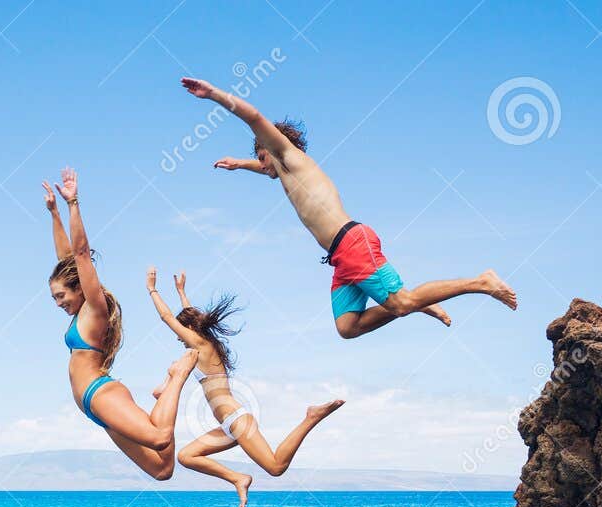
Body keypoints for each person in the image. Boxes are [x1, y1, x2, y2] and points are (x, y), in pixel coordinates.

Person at [180, 77, 517, 339]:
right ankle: (415, 303)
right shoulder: (282, 170)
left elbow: (253, 117)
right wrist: (240, 164)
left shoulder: (289, 157)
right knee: (348, 327)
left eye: (260, 157)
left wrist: (214, 95)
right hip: (340, 258)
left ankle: (481, 282)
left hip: (353, 243)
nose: (261, 164)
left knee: (401, 303)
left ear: (269, 148)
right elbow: (265, 169)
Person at [148, 268, 343, 507]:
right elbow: (191, 318)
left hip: (238, 421)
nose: (179, 339)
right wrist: (181, 292)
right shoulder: (201, 345)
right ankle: (238, 478)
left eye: (182, 332)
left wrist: (152, 290)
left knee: (275, 467)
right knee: (186, 457)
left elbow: (167, 317)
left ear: (189, 330)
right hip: (228, 426)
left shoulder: (200, 343)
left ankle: (311, 417)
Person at [45, 168, 195, 481]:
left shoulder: (94, 309)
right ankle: (164, 392)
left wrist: (73, 204)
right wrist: (54, 214)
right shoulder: (79, 313)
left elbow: (81, 255)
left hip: (100, 394)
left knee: (159, 438)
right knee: (162, 469)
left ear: (79, 288)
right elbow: (67, 260)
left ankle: (178, 376)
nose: (58, 304)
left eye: (61, 296)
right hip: (94, 408)